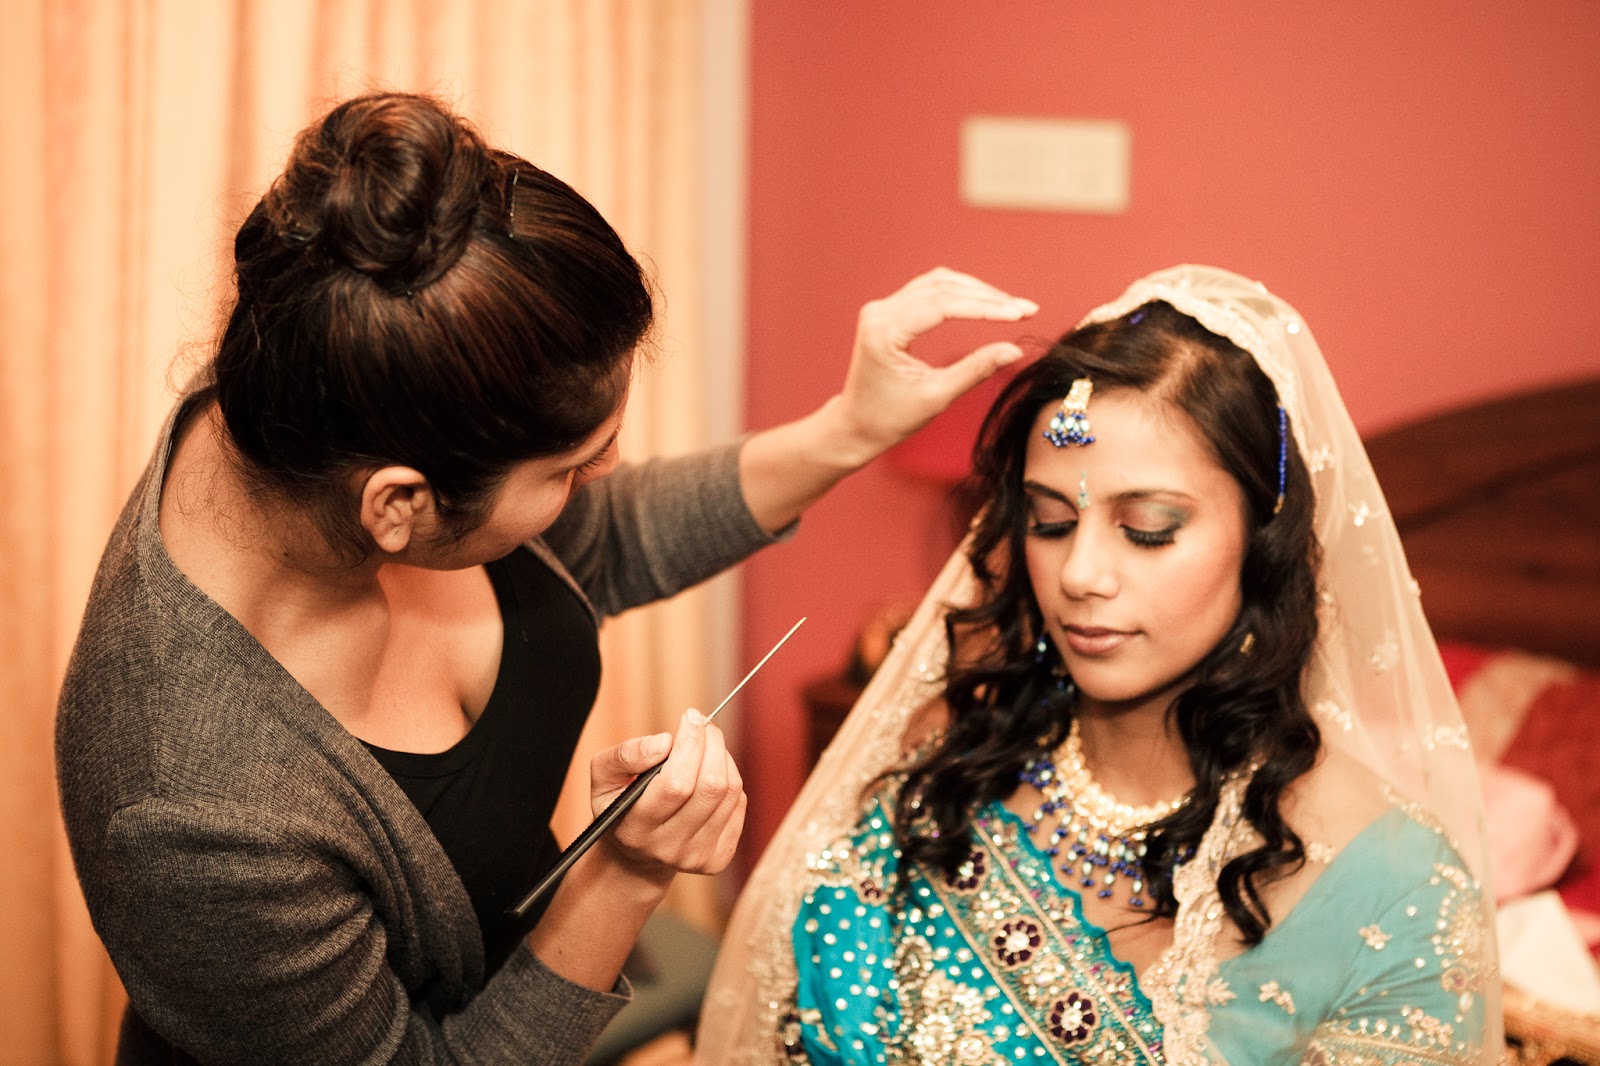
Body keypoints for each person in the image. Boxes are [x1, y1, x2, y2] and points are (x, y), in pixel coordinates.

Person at [53, 91, 1038, 1064]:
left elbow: (606, 538)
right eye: (570, 467)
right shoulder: (193, 816)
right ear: (400, 506)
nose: (598, 481)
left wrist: (849, 431)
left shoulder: (318, 390)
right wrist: (622, 870)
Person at [699, 265, 1502, 1065]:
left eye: (1148, 527)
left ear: (1264, 540)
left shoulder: (1397, 890)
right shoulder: (950, 757)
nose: (1081, 574)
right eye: (1050, 522)